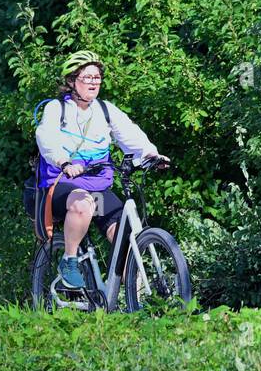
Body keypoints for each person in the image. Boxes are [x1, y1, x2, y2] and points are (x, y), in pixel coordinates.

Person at [34, 50, 168, 289]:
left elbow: (130, 134)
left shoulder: (105, 111)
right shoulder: (56, 109)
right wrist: (64, 162)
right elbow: (46, 137)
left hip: (97, 189)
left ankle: (134, 295)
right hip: (61, 186)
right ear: (71, 81)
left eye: (97, 77)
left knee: (123, 234)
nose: (94, 82)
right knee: (83, 204)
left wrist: (151, 154)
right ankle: (69, 261)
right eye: (87, 77)